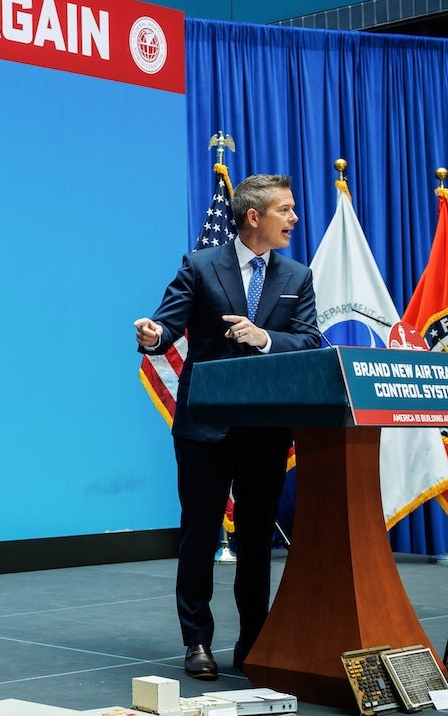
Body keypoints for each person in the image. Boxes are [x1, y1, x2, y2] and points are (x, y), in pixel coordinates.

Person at [134, 173, 320, 680]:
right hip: (206, 426)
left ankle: (254, 640)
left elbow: (310, 341)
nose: (294, 218)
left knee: (257, 541)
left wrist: (264, 338)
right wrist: (152, 337)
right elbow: (166, 326)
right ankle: (196, 640)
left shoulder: (297, 276)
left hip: (265, 428)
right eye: (285, 209)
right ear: (253, 217)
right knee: (199, 535)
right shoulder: (200, 265)